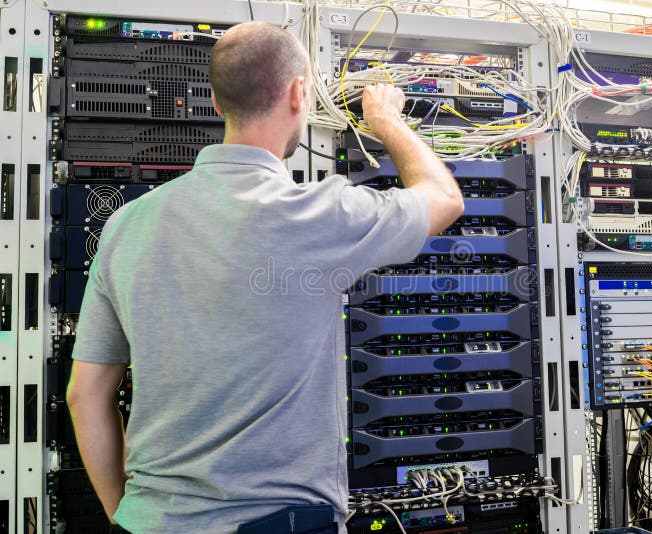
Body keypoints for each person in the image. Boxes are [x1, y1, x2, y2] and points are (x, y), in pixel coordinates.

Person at [66, 21, 464, 534]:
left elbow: (86, 394)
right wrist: (386, 121)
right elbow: (444, 198)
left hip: (150, 521)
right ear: (298, 93)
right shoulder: (317, 213)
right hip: (279, 522)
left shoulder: (127, 224)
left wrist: (127, 516)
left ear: (215, 102)